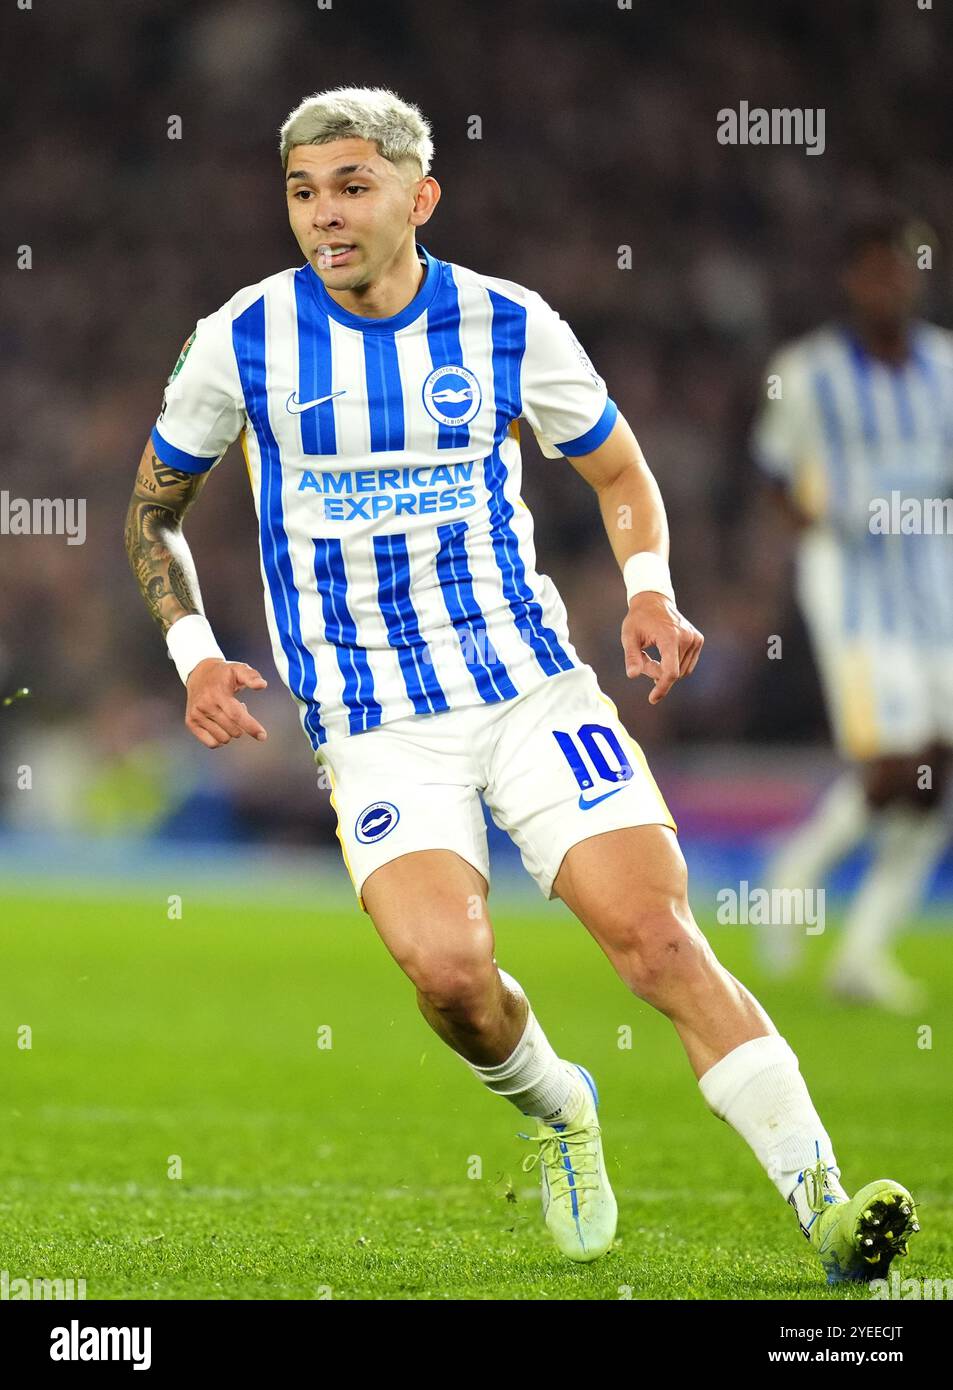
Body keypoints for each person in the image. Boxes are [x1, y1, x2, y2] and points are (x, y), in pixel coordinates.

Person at [125, 87, 918, 1279]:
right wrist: (194, 656)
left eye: (351, 187)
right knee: (448, 976)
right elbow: (152, 509)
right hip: (374, 724)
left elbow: (617, 470)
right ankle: (559, 1107)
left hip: (528, 689)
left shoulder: (507, 324)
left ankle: (824, 1204)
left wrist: (647, 586)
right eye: (301, 193)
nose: (323, 217)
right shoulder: (242, 338)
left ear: (417, 195)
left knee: (655, 940)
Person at [753, 216, 953, 1011]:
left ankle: (861, 954)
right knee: (893, 766)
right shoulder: (808, 374)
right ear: (851, 279)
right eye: (874, 272)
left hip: (936, 586)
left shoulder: (944, 367)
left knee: (937, 775)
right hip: (855, 595)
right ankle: (789, 879)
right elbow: (773, 472)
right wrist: (821, 536)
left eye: (901, 270)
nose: (890, 285)